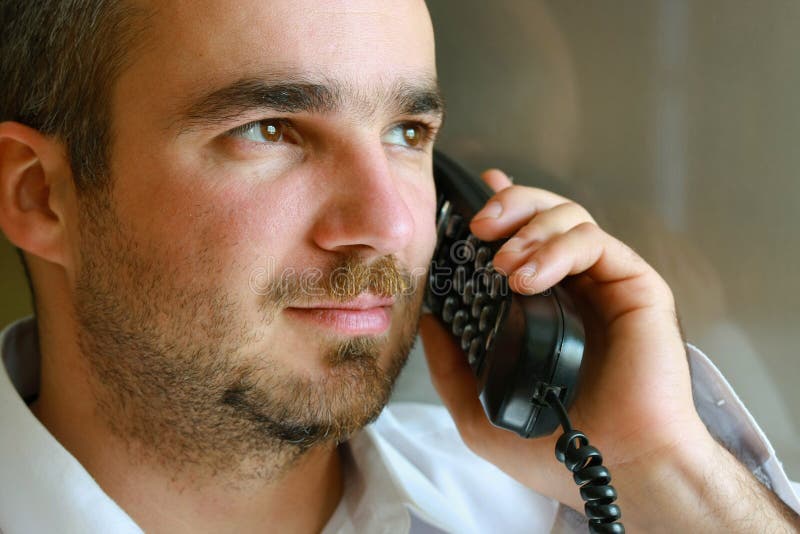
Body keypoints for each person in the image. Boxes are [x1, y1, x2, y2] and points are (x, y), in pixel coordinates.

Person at [0, 1, 797, 532]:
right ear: (40, 196)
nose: (390, 225)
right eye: (270, 129)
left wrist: (658, 468)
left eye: (408, 133)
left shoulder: (555, 505)